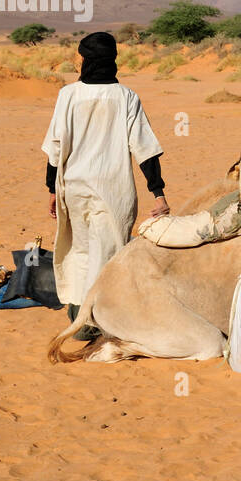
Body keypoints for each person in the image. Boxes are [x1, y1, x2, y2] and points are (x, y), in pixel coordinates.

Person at [41, 32, 168, 340]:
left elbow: (55, 147)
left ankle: (79, 319)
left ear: (85, 60)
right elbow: (144, 149)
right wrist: (158, 192)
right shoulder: (126, 97)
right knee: (109, 255)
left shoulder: (68, 95)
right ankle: (97, 323)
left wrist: (52, 188)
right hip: (114, 190)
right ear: (112, 61)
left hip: (75, 188)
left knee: (80, 252)